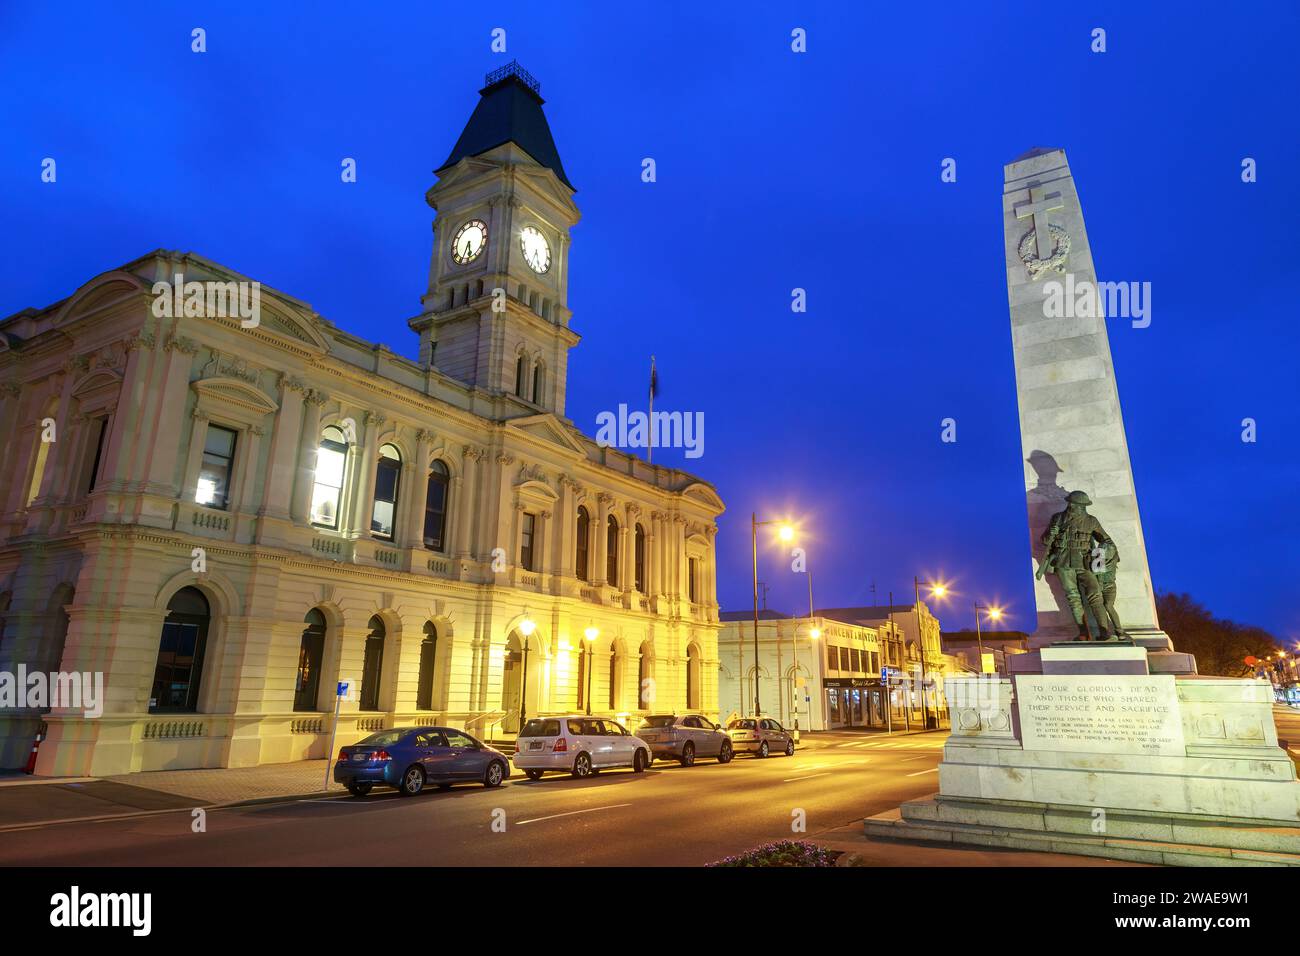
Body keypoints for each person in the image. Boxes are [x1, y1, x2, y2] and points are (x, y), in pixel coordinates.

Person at [1037, 490, 1116, 641]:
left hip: (1085, 563)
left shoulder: (1091, 521)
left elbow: (1106, 541)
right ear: (1071, 504)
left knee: (1095, 594)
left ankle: (1104, 632)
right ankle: (1083, 633)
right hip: (1063, 563)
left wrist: (1101, 555)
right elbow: (1045, 541)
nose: (1082, 509)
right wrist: (1051, 534)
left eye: (1083, 506)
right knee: (1073, 597)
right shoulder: (1058, 518)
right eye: (1079, 506)